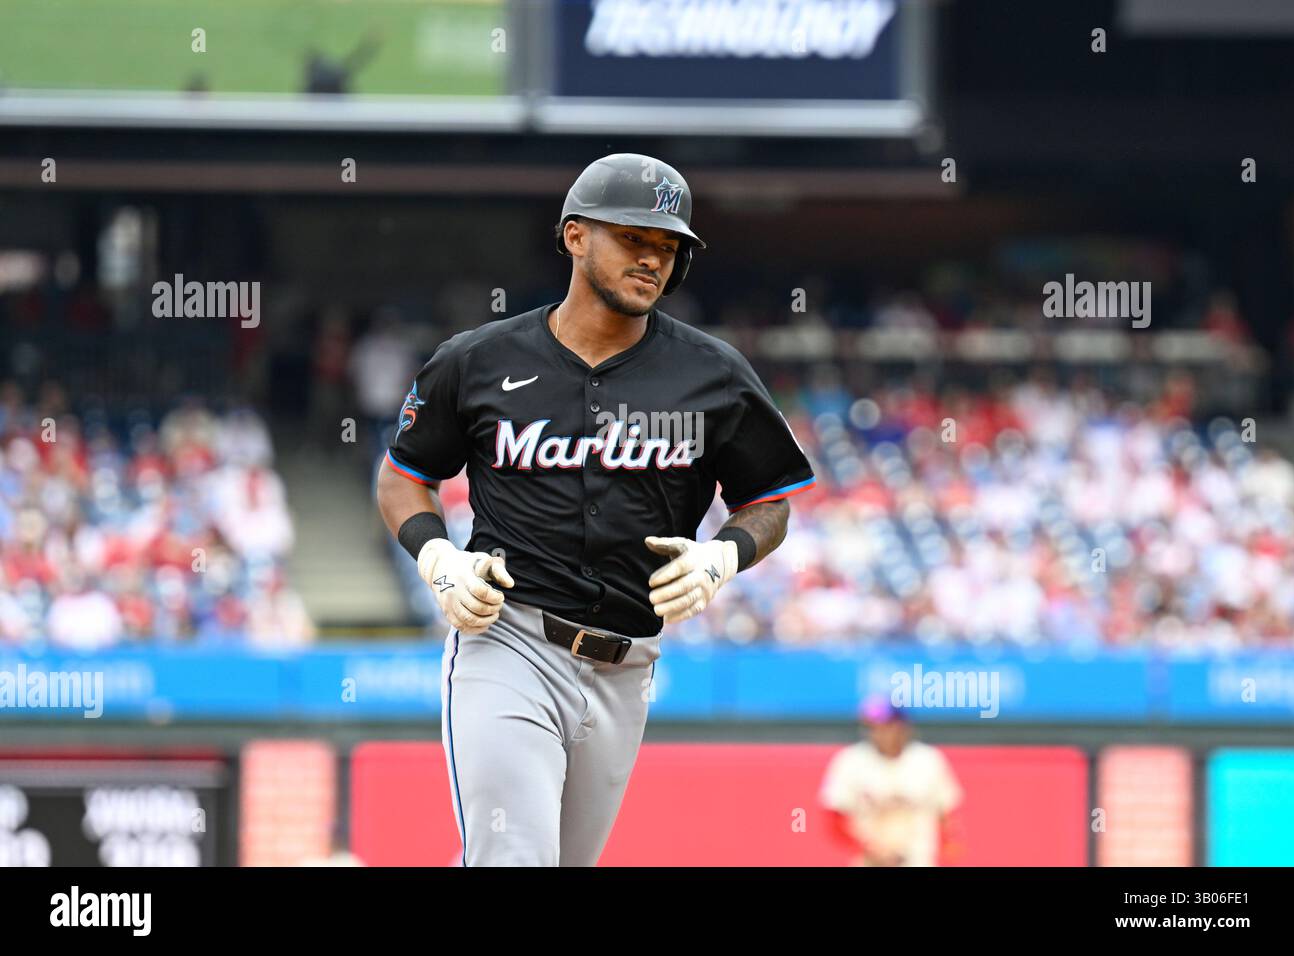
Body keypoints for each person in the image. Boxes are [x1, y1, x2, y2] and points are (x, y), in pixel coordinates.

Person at [375, 154, 816, 866]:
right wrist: (438, 558)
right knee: (514, 859)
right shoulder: (478, 359)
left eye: (668, 247)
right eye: (634, 239)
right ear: (575, 235)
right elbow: (403, 478)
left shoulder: (713, 374)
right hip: (509, 642)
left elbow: (769, 499)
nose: (653, 260)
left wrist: (722, 555)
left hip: (628, 663)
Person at [819, 697, 963, 866]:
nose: (880, 732)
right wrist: (868, 848)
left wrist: (950, 844)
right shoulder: (851, 761)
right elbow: (836, 819)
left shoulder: (928, 760)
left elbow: (946, 813)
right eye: (873, 727)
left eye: (888, 725)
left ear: (903, 727)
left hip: (918, 860)